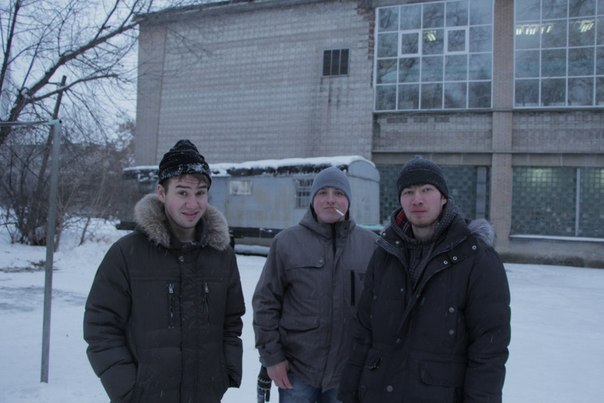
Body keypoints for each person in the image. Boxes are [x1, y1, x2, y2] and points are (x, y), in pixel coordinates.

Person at [338, 156, 511, 403]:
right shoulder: (385, 253)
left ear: (443, 198)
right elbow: (364, 330)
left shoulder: (477, 258)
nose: (417, 199)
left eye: (426, 190)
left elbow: (489, 349)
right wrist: (349, 392)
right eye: (408, 192)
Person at [83, 139, 245, 403]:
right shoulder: (127, 253)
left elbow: (231, 321)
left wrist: (224, 373)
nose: (193, 204)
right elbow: (100, 327)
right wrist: (128, 389)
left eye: (200, 193)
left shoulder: (221, 255)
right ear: (161, 192)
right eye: (182, 192)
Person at [252, 166, 379, 403]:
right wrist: (272, 358)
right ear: (312, 200)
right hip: (297, 371)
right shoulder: (286, 242)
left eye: (338, 193)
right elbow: (266, 304)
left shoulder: (371, 246)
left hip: (347, 372)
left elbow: (380, 311)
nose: (331, 200)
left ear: (349, 200)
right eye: (323, 193)